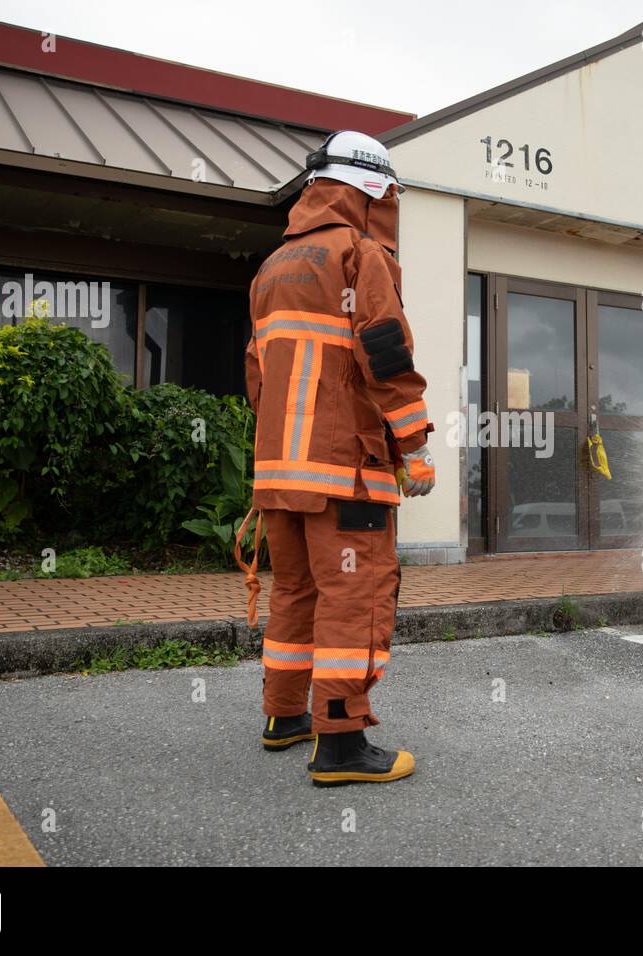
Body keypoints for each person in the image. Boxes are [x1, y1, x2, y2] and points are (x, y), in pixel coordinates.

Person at [240, 130, 435, 786]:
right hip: (344, 475)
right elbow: (385, 356)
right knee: (355, 598)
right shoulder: (360, 254)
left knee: (295, 593)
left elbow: (255, 376)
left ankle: (284, 716)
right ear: (370, 191)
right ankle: (342, 745)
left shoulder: (272, 267)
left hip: (278, 477)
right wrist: (415, 445)